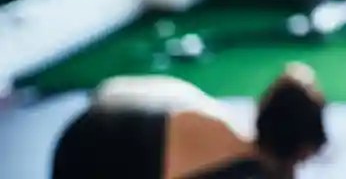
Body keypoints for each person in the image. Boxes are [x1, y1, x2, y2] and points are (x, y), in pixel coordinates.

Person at [51, 62, 328, 179]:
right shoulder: (228, 160)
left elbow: (109, 90)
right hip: (86, 151)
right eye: (301, 159)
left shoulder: (228, 126)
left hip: (95, 123)